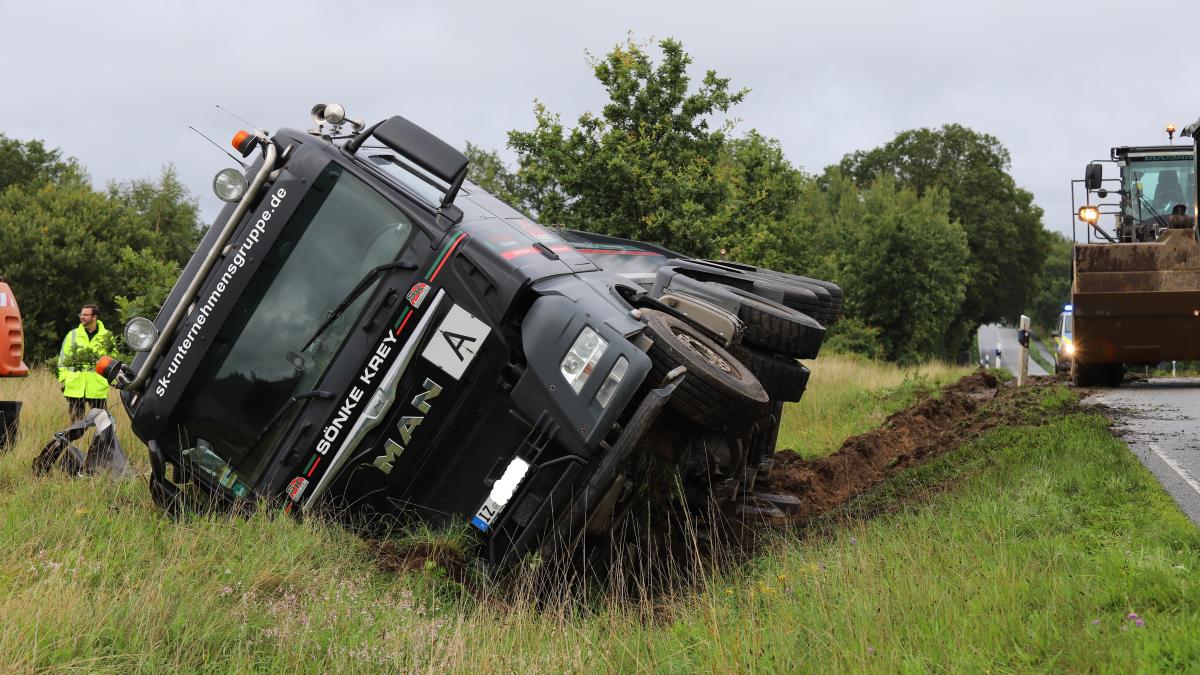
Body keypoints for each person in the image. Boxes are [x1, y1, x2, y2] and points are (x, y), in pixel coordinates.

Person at [57, 304, 114, 421]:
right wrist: (63, 378)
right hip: (75, 387)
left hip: (98, 387)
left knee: (102, 423)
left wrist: (108, 379)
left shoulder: (107, 336)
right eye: (81, 314)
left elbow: (113, 360)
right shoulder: (72, 335)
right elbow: (62, 359)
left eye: (85, 315)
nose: (82, 317)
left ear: (94, 317)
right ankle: (77, 434)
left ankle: (102, 435)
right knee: (76, 425)